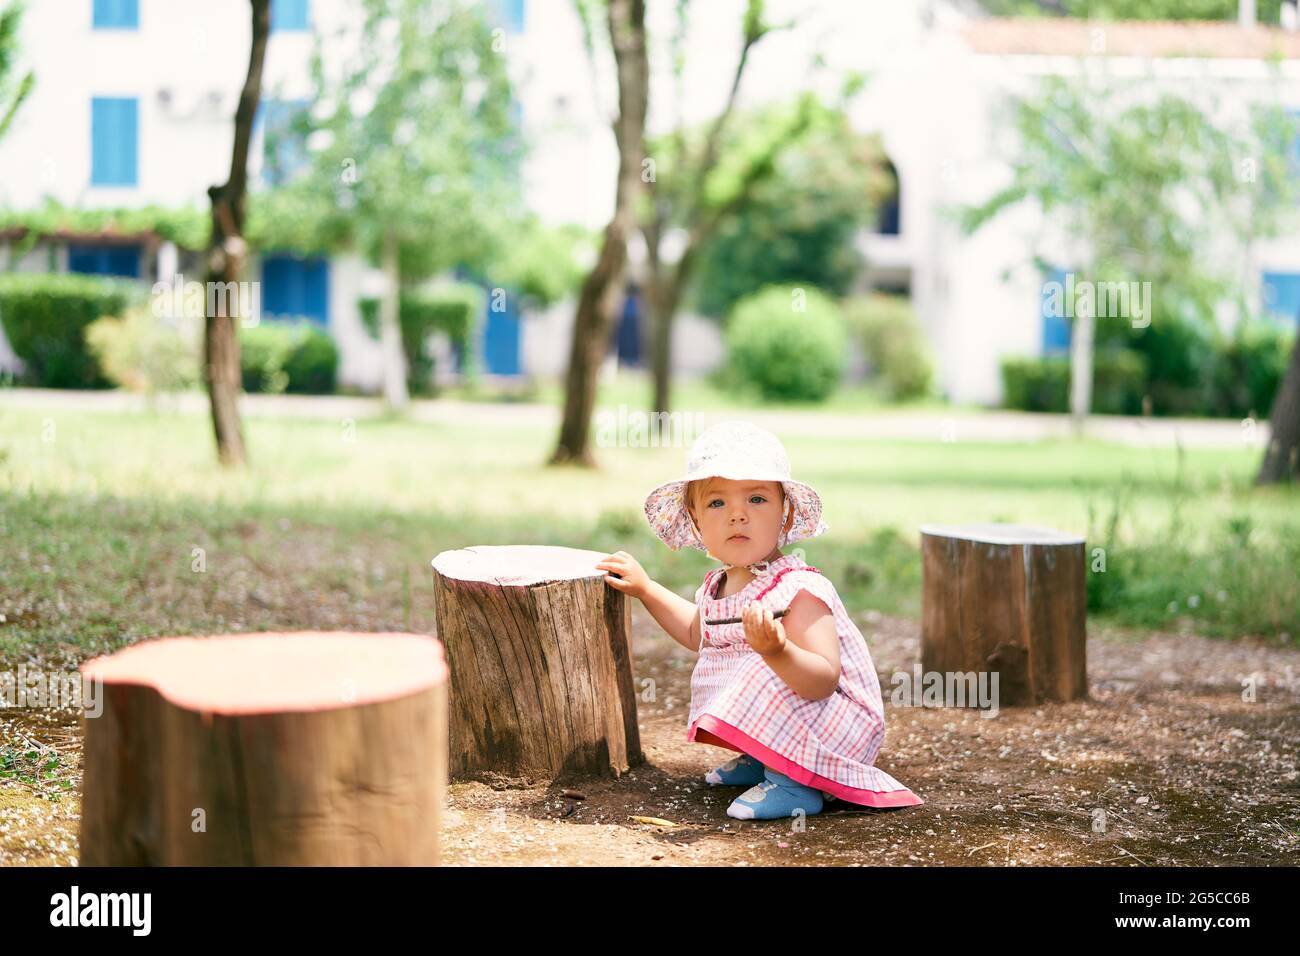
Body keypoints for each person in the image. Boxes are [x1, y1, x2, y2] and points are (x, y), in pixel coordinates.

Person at [597, 420, 923, 820]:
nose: (737, 515)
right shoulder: (719, 584)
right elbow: (695, 632)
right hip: (805, 720)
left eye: (756, 499)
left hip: (840, 729)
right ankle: (765, 754)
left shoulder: (797, 589)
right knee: (728, 660)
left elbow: (823, 680)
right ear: (697, 521)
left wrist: (779, 649)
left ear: (785, 517)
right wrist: (646, 589)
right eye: (717, 503)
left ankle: (795, 786)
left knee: (758, 662)